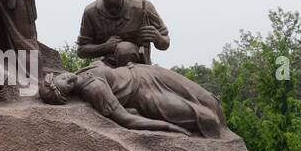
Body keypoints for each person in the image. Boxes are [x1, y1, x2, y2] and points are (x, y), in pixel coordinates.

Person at [37, 62, 226, 137]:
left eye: (63, 78)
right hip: (146, 96)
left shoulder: (81, 72)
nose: (69, 78)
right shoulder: (94, 89)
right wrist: (168, 127)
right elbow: (127, 120)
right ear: (67, 96)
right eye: (67, 85)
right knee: (206, 119)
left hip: (147, 72)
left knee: (208, 100)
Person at [76, 0, 170, 66]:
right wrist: (105, 47)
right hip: (107, 65)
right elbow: (81, 51)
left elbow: (165, 43)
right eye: (109, 7)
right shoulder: (91, 12)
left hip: (136, 65)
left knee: (124, 49)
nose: (113, 11)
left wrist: (158, 38)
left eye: (116, 6)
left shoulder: (143, 7)